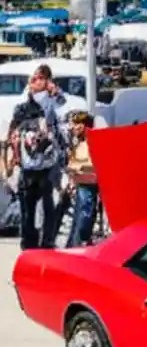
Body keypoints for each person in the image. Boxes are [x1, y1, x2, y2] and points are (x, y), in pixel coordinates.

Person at [13, 65, 66, 249]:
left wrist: (54, 90)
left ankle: (47, 240)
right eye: (33, 78)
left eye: (39, 78)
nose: (34, 81)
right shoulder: (23, 104)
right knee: (27, 204)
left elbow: (61, 102)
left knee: (47, 202)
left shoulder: (51, 101)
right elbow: (14, 131)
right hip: (28, 164)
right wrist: (13, 158)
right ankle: (28, 240)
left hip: (47, 163)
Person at [64, 111, 98, 247]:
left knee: (84, 217)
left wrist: (78, 168)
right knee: (77, 220)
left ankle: (82, 241)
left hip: (88, 185)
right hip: (79, 185)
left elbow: (95, 164)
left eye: (76, 124)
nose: (72, 127)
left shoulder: (92, 142)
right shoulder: (78, 143)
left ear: (84, 125)